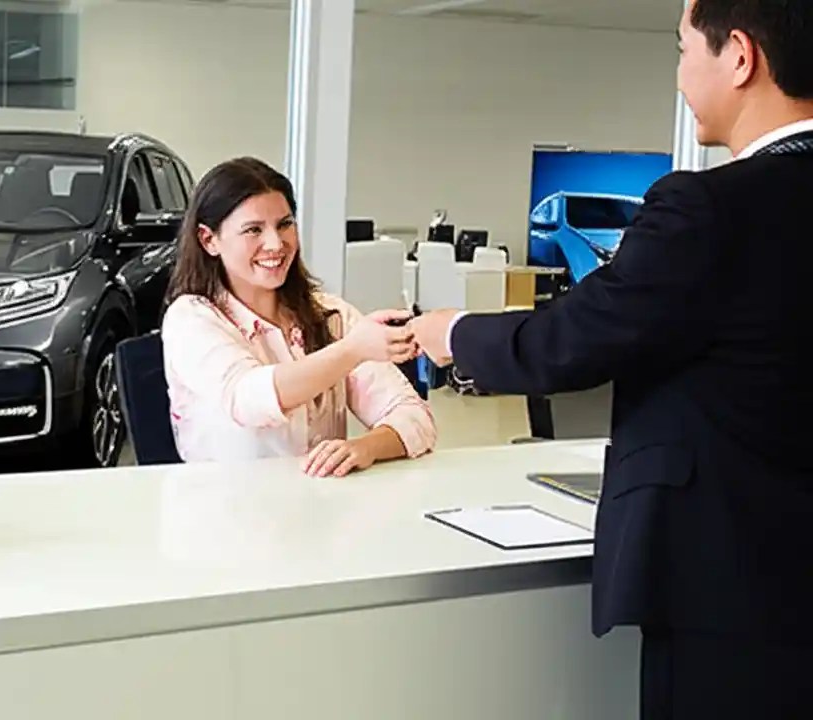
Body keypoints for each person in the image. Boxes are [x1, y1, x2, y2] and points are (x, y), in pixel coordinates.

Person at [408, 1, 813, 717]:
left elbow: (578, 338)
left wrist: (453, 333)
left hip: (732, 587)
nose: (680, 78)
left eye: (683, 51)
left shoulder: (707, 207)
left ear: (739, 56)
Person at [161, 157, 436, 476]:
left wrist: (365, 447)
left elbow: (414, 417)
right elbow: (248, 399)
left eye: (285, 224)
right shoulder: (190, 319)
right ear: (209, 240)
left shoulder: (330, 313)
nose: (276, 243)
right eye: (253, 230)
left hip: (320, 499)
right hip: (227, 500)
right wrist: (353, 350)